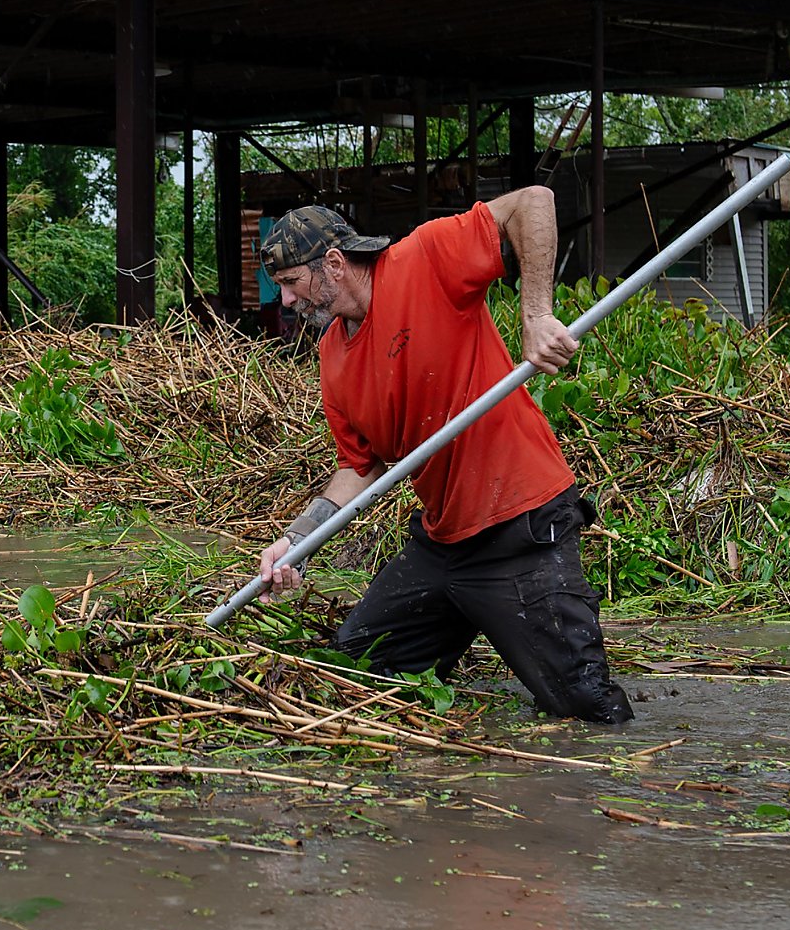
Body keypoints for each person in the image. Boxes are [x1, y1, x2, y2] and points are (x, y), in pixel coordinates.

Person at [255, 193, 634, 725]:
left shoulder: (424, 258)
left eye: (292, 281)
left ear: (335, 263)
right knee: (358, 669)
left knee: (585, 707)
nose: (287, 299)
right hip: (442, 544)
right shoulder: (333, 355)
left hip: (520, 525)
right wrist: (297, 542)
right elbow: (359, 467)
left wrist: (536, 315)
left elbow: (533, 202)